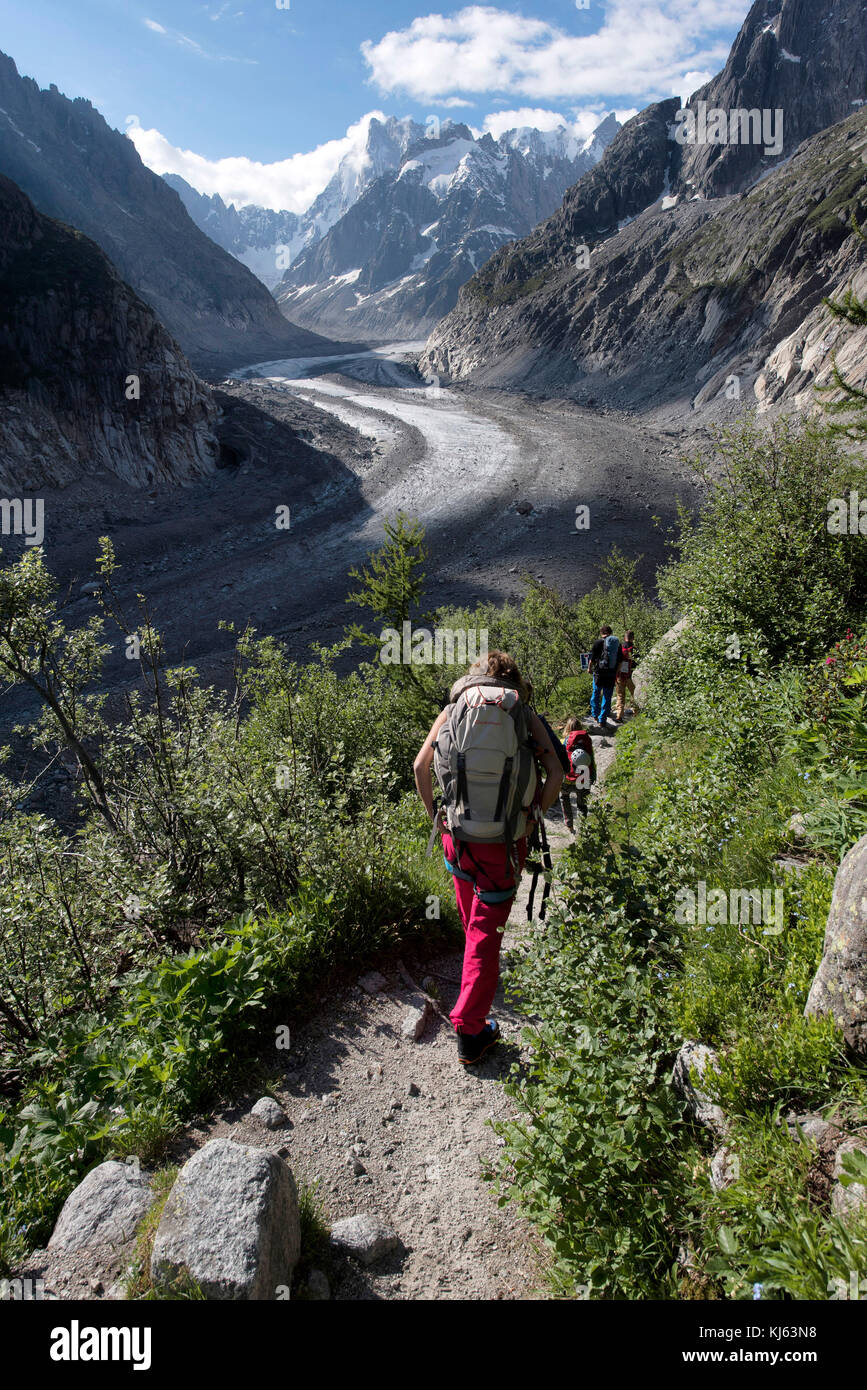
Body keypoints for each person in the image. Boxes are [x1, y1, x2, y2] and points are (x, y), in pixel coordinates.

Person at [413, 651, 563, 1065]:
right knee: (484, 935)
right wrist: (532, 818)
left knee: (473, 927)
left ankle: (472, 995)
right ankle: (470, 1030)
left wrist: (437, 819)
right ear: (514, 680)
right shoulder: (522, 712)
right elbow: (557, 770)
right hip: (503, 845)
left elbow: (420, 766)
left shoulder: (454, 707)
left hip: (458, 840)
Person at [559, 717, 597, 831]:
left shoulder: (562, 742)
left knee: (564, 798)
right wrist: (593, 776)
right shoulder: (587, 741)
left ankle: (569, 823)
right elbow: (591, 760)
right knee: (582, 803)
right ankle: (583, 826)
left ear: (567, 728)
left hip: (567, 777)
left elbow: (559, 761)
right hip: (583, 777)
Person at [588, 625, 622, 728]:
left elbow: (592, 659)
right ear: (610, 632)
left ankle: (595, 715)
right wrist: (616, 673)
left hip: (599, 673)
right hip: (611, 673)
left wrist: (589, 668)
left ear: (601, 633)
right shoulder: (617, 644)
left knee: (596, 692)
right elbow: (620, 661)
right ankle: (602, 720)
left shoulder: (598, 643)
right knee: (607, 696)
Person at [615, 629, 639, 721]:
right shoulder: (634, 649)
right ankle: (636, 713)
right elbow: (637, 663)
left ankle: (619, 715)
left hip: (620, 676)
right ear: (633, 638)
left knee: (620, 695)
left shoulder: (620, 648)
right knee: (635, 695)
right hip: (631, 676)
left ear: (625, 637)